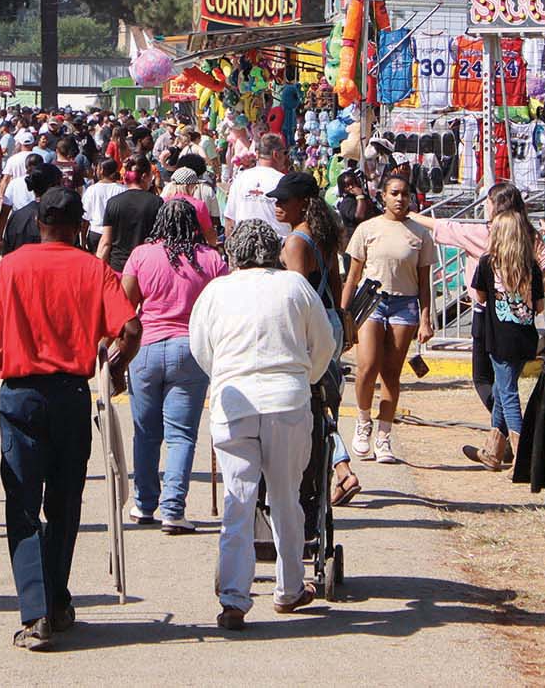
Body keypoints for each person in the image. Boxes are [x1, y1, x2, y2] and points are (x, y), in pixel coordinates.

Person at [0, 186, 141, 651]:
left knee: (22, 503)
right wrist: (116, 369)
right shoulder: (94, 269)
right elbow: (131, 328)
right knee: (65, 503)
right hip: (70, 397)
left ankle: (36, 611)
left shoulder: (13, 267)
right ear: (80, 225)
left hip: (21, 396)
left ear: (38, 222)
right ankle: (58, 600)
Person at [190, 219, 338, 629]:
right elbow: (324, 344)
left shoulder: (217, 290)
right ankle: (289, 587)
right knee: (285, 497)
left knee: (238, 500)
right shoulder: (294, 286)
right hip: (286, 399)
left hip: (233, 401)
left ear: (232, 252)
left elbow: (201, 348)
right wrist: (305, 378)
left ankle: (234, 598)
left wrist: (223, 378)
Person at [120, 199, 228, 532]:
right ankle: (173, 509)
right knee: (181, 435)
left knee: (146, 432)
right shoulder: (212, 260)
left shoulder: (142, 255)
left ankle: (144, 503)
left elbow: (125, 304)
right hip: (191, 349)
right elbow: (222, 308)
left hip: (146, 347)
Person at [270, 172, 363, 506]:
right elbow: (336, 288)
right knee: (324, 402)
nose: (277, 205)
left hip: (307, 331)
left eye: (283, 200)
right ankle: (337, 471)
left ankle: (339, 472)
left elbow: (294, 295)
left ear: (303, 204)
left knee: (311, 407)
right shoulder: (322, 237)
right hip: (328, 325)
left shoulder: (296, 241)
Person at [339, 170, 436, 464]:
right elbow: (353, 276)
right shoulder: (367, 229)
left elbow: (424, 281)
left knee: (391, 373)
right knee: (367, 366)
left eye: (405, 194)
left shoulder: (419, 234)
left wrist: (426, 317)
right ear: (382, 197)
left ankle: (383, 436)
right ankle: (363, 420)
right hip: (372, 302)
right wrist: (344, 315)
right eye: (394, 193)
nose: (400, 199)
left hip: (404, 305)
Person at [471, 195, 545, 471]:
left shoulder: (488, 262)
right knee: (503, 392)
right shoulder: (531, 266)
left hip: (498, 337)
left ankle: (523, 456)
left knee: (509, 392)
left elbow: (479, 296)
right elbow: (538, 306)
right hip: (524, 336)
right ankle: (493, 450)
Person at [98, 156, 163, 273]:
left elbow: (106, 242)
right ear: (144, 176)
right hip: (145, 265)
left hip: (118, 265)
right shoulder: (157, 202)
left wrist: (98, 270)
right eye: (151, 176)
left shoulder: (113, 202)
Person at [223, 134, 288, 234]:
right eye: (285, 153)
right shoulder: (284, 181)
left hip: (243, 243)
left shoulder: (241, 178)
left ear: (257, 154)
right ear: (276, 154)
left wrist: (230, 247)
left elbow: (229, 220)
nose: (286, 157)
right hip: (275, 245)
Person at [162, 163, 218, 243]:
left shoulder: (163, 202)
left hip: (166, 245)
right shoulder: (199, 205)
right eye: (195, 186)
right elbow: (208, 233)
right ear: (188, 186)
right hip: (192, 247)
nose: (195, 189)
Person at [81, 156, 126, 238]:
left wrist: (83, 238)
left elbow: (85, 217)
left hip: (96, 232)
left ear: (101, 170)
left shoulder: (92, 190)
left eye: (97, 168)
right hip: (116, 233)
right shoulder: (123, 190)